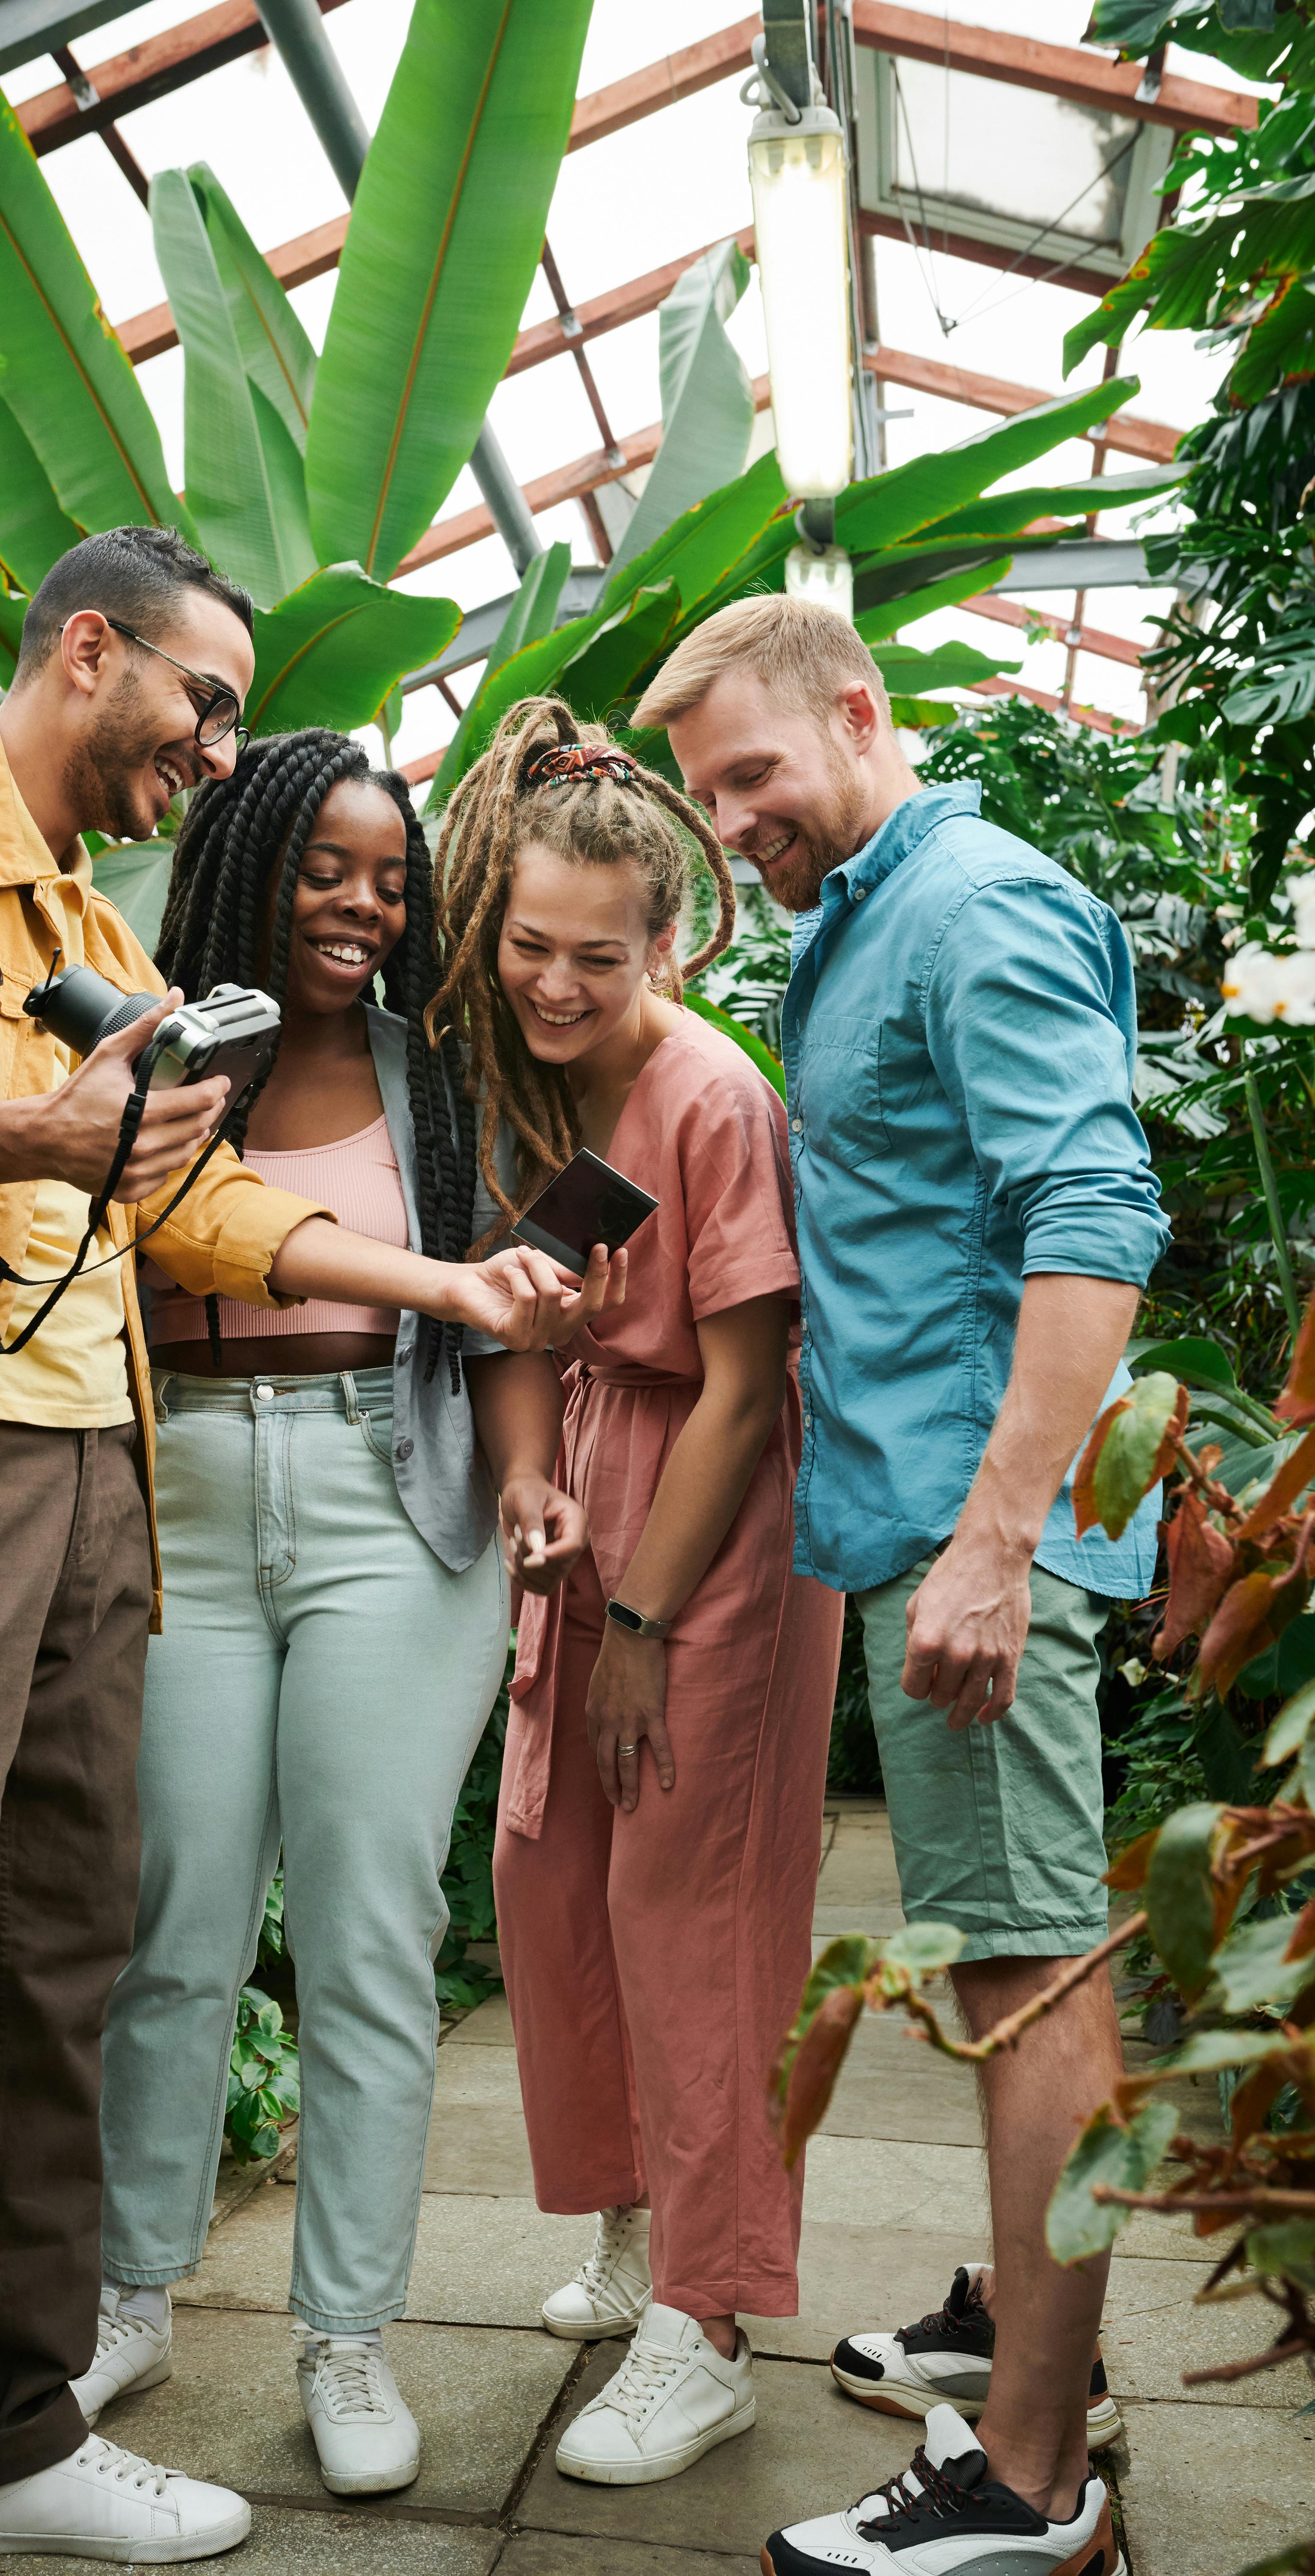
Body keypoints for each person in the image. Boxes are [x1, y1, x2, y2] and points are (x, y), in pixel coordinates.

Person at [0, 528, 611, 2576]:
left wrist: (446, 1291)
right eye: (200, 699)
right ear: (89, 650)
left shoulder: (105, 920)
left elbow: (182, 1216)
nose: (215, 745)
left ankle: (4, 2438)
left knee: (58, 1969)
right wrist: (32, 1137)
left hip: (102, 1469)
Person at [642, 593, 1166, 2576]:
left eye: (754, 776)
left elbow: (1094, 1211)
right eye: (710, 798)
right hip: (922, 1530)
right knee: (992, 1961)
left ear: (861, 714)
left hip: (978, 1548)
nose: (735, 822)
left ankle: (1031, 2486)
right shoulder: (862, 915)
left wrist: (995, 1539)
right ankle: (1032, 2345)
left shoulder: (971, 909)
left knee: (1029, 1975)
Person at [81, 727, 600, 2496]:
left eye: (390, 879)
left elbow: (497, 1310)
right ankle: (125, 2298)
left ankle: (348, 2338)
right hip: (184, 1496)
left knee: (373, 1926)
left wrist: (532, 1480)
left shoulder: (442, 1071)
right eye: (326, 869)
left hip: (394, 1493)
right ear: (243, 863)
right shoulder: (150, 1055)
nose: (363, 908)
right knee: (173, 1917)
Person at [426, 698, 844, 2488]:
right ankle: (630, 2228)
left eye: (596, 958)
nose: (555, 984)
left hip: (711, 1534)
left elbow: (746, 1388)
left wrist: (647, 1627)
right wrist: (524, 1481)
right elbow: (516, 1316)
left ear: (665, 941)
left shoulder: (710, 1097)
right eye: (527, 948)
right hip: (585, 1501)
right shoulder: (520, 1076)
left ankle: (713, 2316)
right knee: (551, 1884)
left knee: (698, 1912)